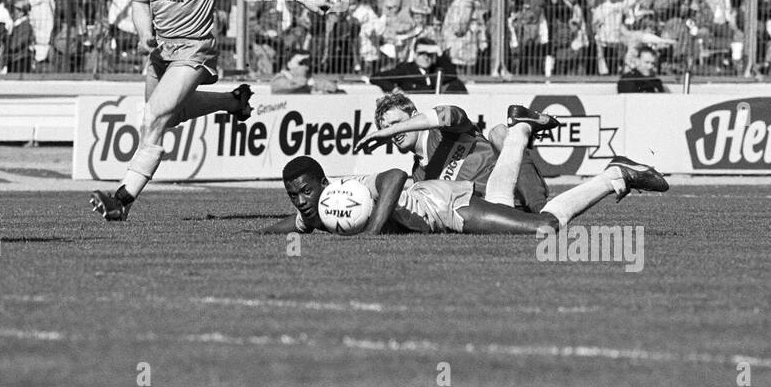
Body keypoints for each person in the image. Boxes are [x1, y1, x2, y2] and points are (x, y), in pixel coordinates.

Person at [89, 0, 332, 221]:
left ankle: (122, 198)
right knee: (171, 117)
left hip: (195, 49)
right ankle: (232, 102)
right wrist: (145, 34)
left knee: (154, 116)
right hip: (162, 51)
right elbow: (140, 2)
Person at [264, 129, 667, 235]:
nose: (301, 200)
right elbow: (295, 223)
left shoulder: (347, 191)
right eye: (293, 196)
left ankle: (615, 175)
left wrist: (372, 231)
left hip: (445, 206)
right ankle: (518, 132)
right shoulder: (318, 211)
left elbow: (394, 175)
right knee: (504, 203)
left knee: (543, 227)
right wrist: (259, 230)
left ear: (323, 182)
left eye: (305, 191)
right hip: (435, 203)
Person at [352, 93, 553, 213]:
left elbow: (443, 115)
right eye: (385, 127)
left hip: (520, 191)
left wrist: (387, 132)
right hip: (499, 210)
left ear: (414, 116)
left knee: (499, 132)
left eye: (396, 123)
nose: (392, 132)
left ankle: (542, 209)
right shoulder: (419, 175)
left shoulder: (444, 130)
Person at [369, 36, 466, 93]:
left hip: (432, 111)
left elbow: (452, 76)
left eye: (429, 54)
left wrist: (438, 51)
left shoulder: (435, 70)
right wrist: (395, 90)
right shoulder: (406, 70)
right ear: (415, 55)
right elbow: (376, 77)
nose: (426, 57)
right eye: (421, 53)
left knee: (457, 85)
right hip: (414, 113)